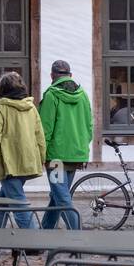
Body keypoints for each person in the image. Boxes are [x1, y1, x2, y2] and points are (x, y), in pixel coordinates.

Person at [0, 70, 46, 228]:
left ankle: (33, 242)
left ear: (2, 88)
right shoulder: (31, 107)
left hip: (8, 163)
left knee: (18, 205)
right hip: (28, 161)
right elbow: (39, 135)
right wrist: (41, 157)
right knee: (3, 202)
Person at [39, 59, 93, 229]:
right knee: (58, 196)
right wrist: (82, 146)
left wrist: (41, 153)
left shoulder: (51, 95)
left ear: (52, 76)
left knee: (62, 198)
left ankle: (78, 237)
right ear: (70, 75)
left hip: (56, 159)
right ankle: (43, 234)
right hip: (76, 155)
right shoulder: (83, 95)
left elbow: (44, 129)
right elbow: (89, 126)